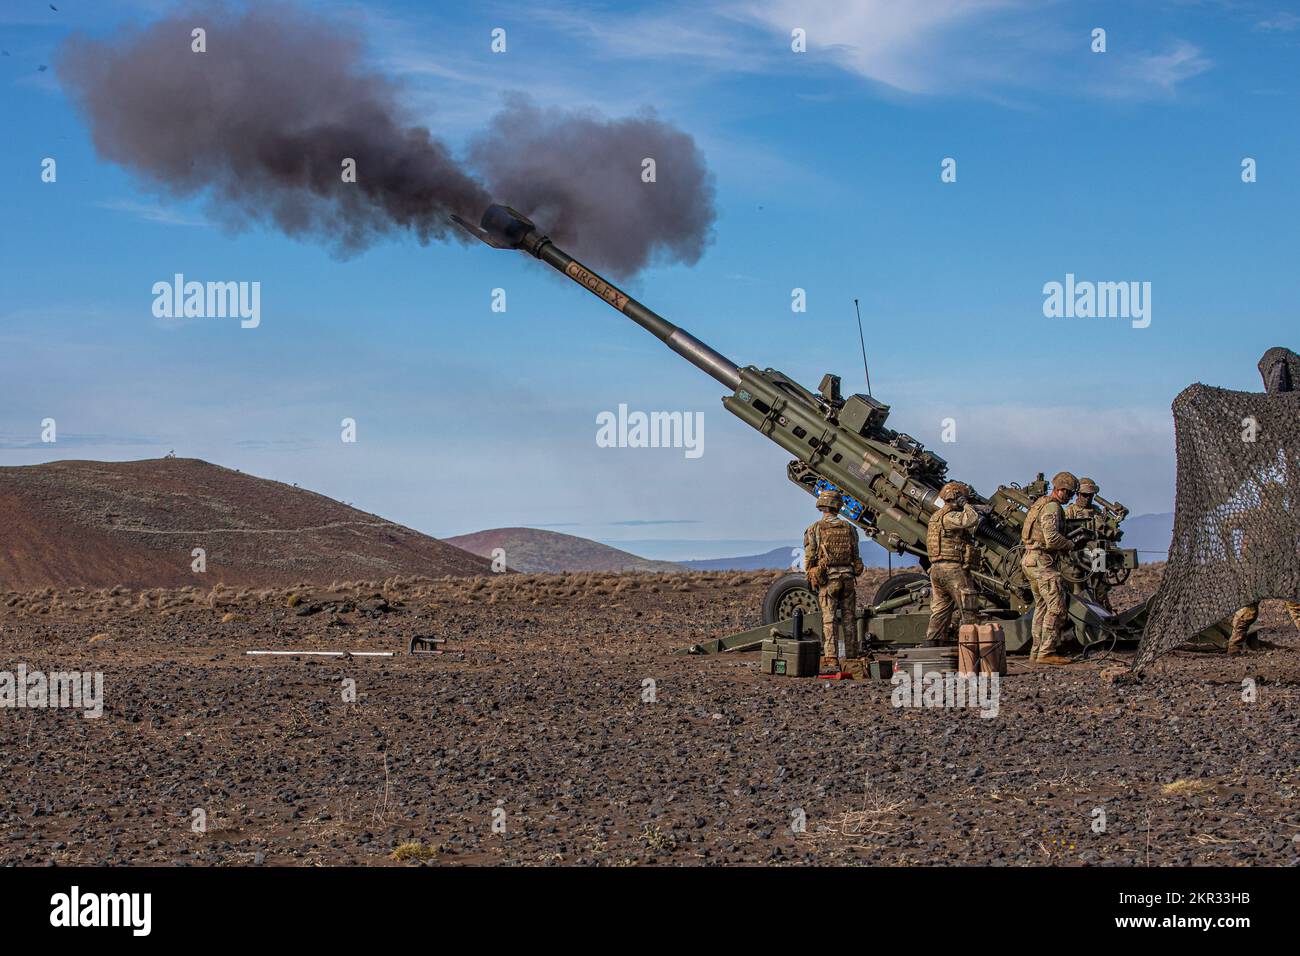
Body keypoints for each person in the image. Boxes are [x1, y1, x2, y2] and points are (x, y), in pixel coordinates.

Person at [1020, 471, 1078, 664]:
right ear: (1059, 490)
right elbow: (1051, 538)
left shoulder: (1040, 503)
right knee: (1057, 608)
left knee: (1042, 608)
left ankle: (1036, 653)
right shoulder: (1052, 507)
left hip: (1031, 560)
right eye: (1068, 493)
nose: (1070, 497)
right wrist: (1070, 545)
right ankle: (1047, 652)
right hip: (1042, 562)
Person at [803, 489, 864, 673]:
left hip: (829, 580)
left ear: (822, 505)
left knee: (829, 620)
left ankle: (831, 659)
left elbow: (809, 558)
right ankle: (852, 658)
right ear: (838, 506)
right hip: (848, 579)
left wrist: (813, 574)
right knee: (849, 619)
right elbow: (857, 558)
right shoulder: (849, 528)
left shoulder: (815, 528)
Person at [923, 480, 980, 646]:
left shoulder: (935, 517)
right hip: (953, 570)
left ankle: (932, 646)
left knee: (939, 612)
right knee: (969, 609)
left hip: (936, 570)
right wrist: (967, 505)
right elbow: (971, 519)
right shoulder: (950, 517)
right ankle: (971, 649)